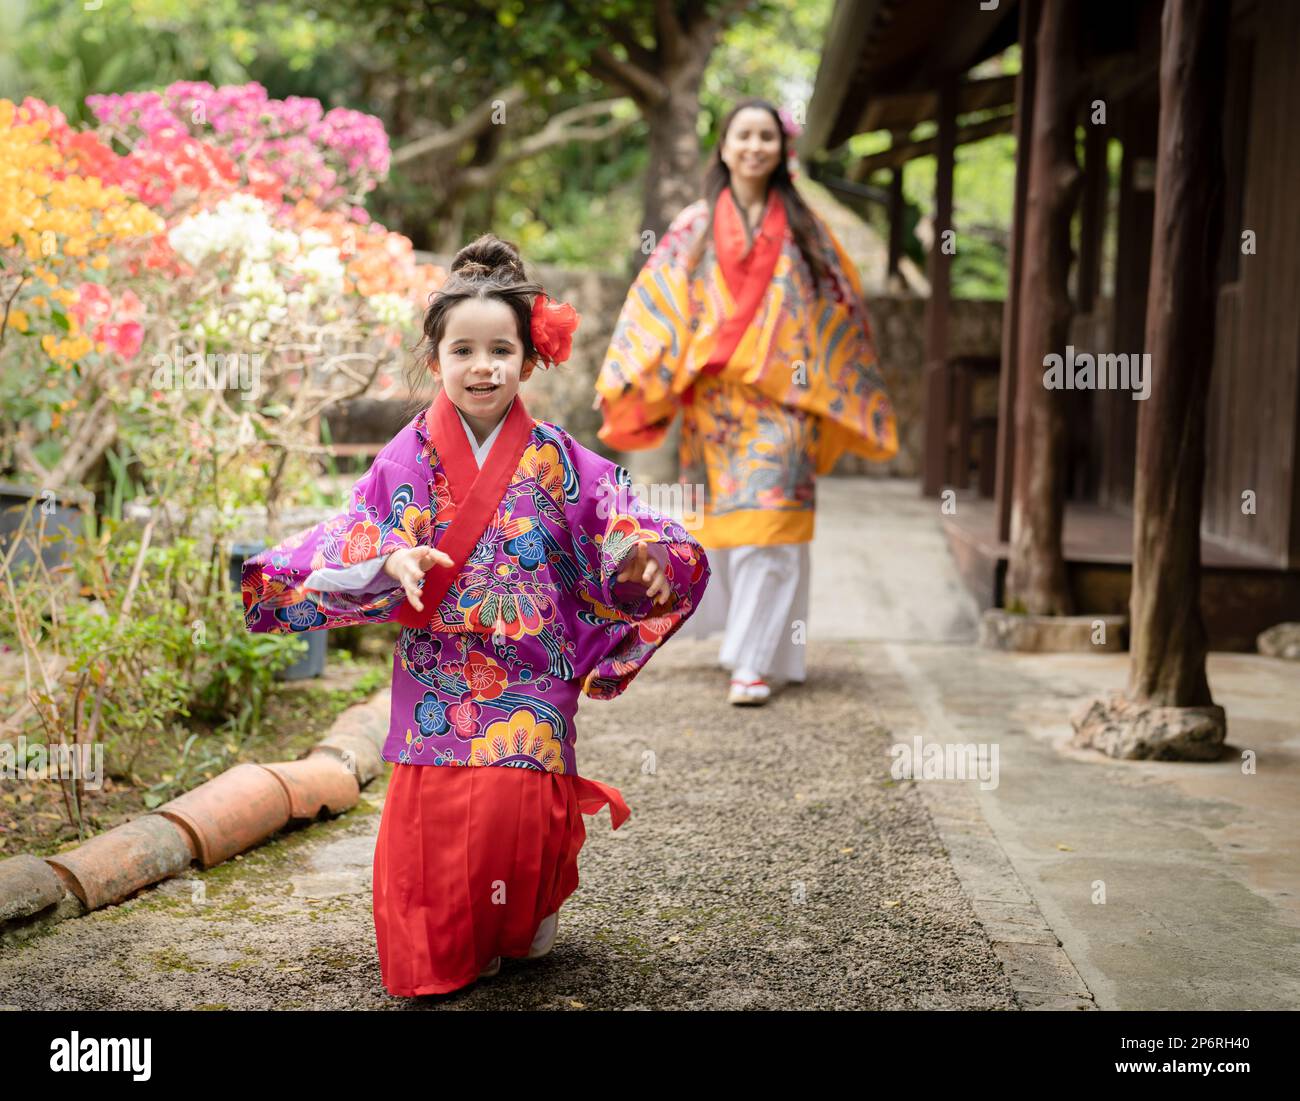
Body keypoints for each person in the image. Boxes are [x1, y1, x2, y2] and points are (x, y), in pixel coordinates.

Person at [241, 234, 711, 996]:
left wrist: (639, 552)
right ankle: (457, 941)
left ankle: (515, 919)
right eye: (464, 350)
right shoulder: (408, 452)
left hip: (532, 668)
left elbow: (614, 510)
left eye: (501, 349)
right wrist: (391, 556)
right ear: (436, 361)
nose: (482, 366)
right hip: (441, 672)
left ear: (530, 360)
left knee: (512, 817)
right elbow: (357, 524)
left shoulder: (557, 456)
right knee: (434, 831)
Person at [595, 97, 897, 706]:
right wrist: (638, 369)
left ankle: (752, 663)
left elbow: (842, 301)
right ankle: (748, 645)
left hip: (787, 399)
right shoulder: (695, 224)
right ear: (725, 146)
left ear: (782, 150)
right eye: (744, 136)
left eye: (767, 137)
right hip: (716, 404)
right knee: (729, 527)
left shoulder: (806, 226)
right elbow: (655, 298)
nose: (755, 147)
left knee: (773, 525)